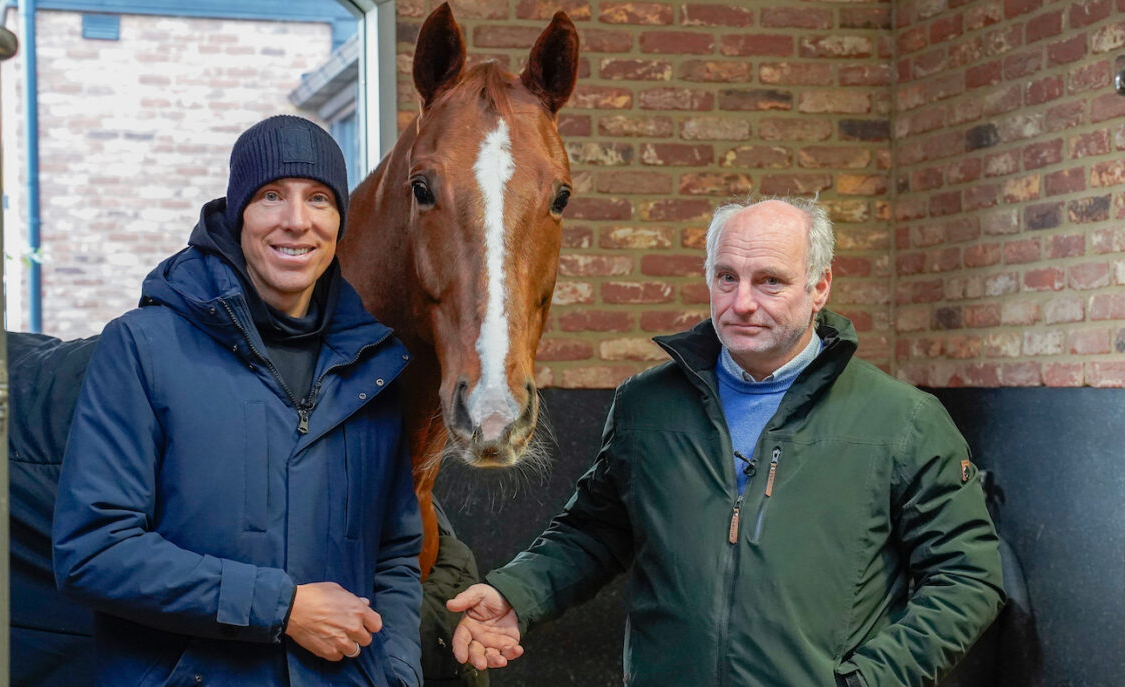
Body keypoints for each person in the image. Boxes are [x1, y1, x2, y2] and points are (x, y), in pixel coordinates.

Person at [448, 198, 1005, 686]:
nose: (741, 303)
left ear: (820, 286)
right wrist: (515, 594)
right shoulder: (646, 406)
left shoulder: (902, 420)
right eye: (726, 277)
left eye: (770, 281)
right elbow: (596, 531)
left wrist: (871, 681)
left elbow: (967, 578)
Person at [53, 115, 423, 687]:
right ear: (238, 213)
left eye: (319, 199)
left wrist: (396, 673)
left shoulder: (373, 366)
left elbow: (394, 556)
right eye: (272, 196)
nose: (296, 221)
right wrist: (281, 608)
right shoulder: (143, 347)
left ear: (339, 221)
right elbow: (93, 551)